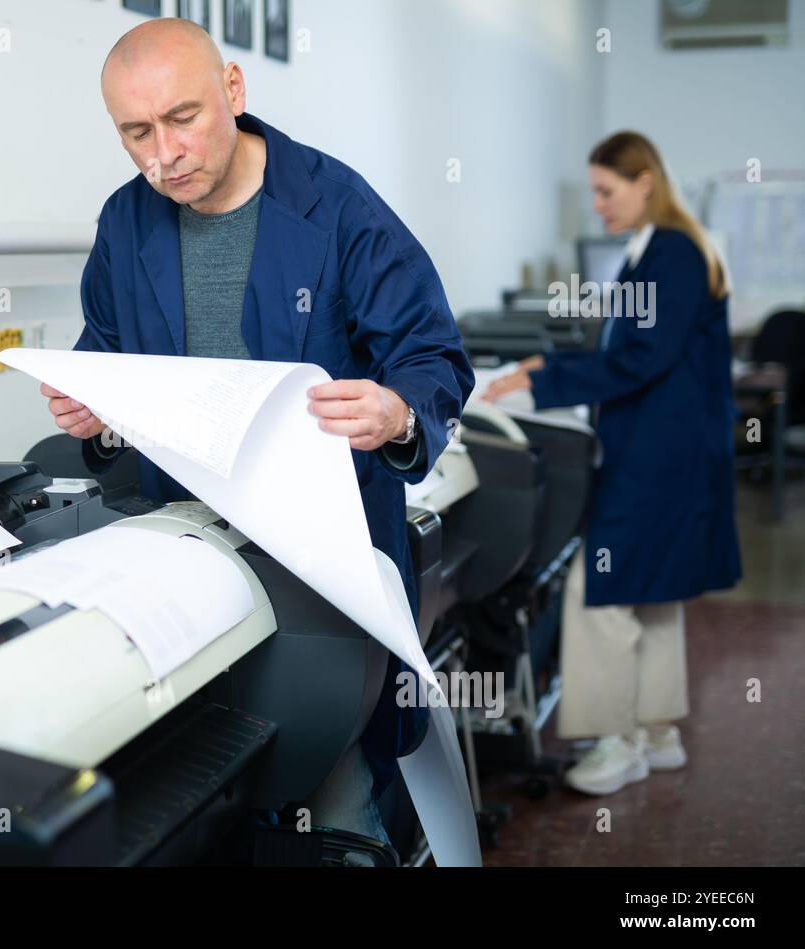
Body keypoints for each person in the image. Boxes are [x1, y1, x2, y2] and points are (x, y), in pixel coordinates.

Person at [43, 18, 473, 852]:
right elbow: (108, 354)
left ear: (234, 93)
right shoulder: (125, 222)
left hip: (326, 559)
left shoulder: (337, 206)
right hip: (194, 559)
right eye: (136, 133)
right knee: (210, 800)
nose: (162, 155)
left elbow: (432, 358)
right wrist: (91, 411)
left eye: (182, 119)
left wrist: (396, 413)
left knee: (337, 799)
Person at [482, 131, 741, 796]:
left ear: (645, 180)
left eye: (606, 190)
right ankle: (656, 730)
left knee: (598, 590)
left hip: (659, 456)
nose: (597, 205)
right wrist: (548, 365)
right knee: (651, 590)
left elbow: (639, 360)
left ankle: (615, 741)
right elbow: (637, 349)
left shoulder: (673, 254)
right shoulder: (658, 250)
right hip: (669, 450)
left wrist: (546, 384)